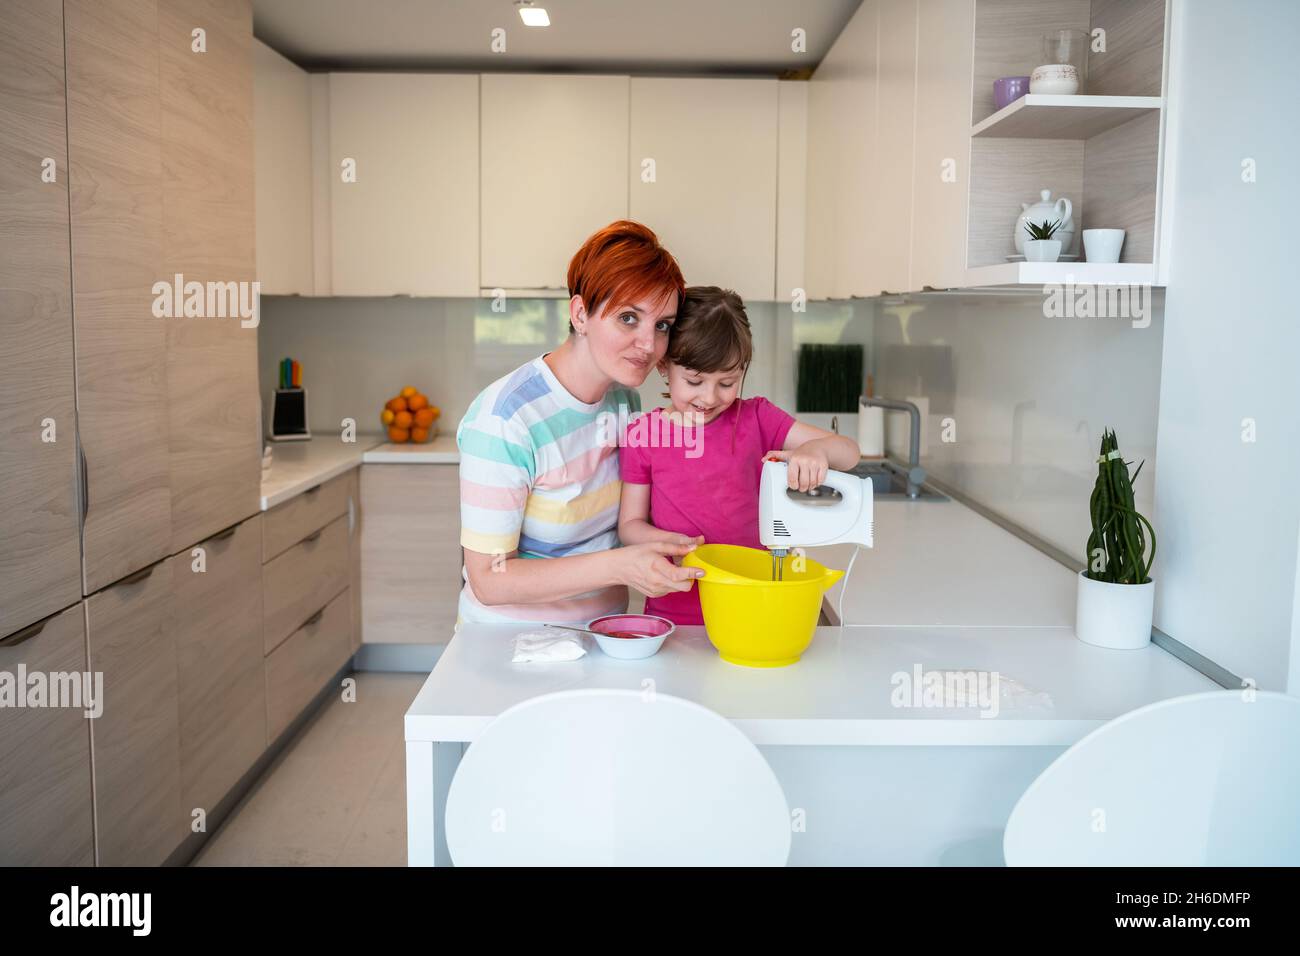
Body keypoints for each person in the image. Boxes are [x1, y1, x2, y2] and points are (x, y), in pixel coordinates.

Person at [455, 221, 703, 625]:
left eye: (662, 325)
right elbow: (490, 580)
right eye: (628, 318)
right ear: (581, 313)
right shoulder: (506, 418)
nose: (649, 344)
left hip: (603, 632)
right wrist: (620, 566)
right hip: (510, 644)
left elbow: (623, 523)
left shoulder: (623, 399)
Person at [618, 286, 861, 625]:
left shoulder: (758, 418)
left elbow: (849, 452)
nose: (709, 397)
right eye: (694, 381)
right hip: (675, 609)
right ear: (664, 366)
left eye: (727, 382)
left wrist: (816, 449)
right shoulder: (643, 435)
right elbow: (629, 525)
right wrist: (664, 541)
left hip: (757, 602)